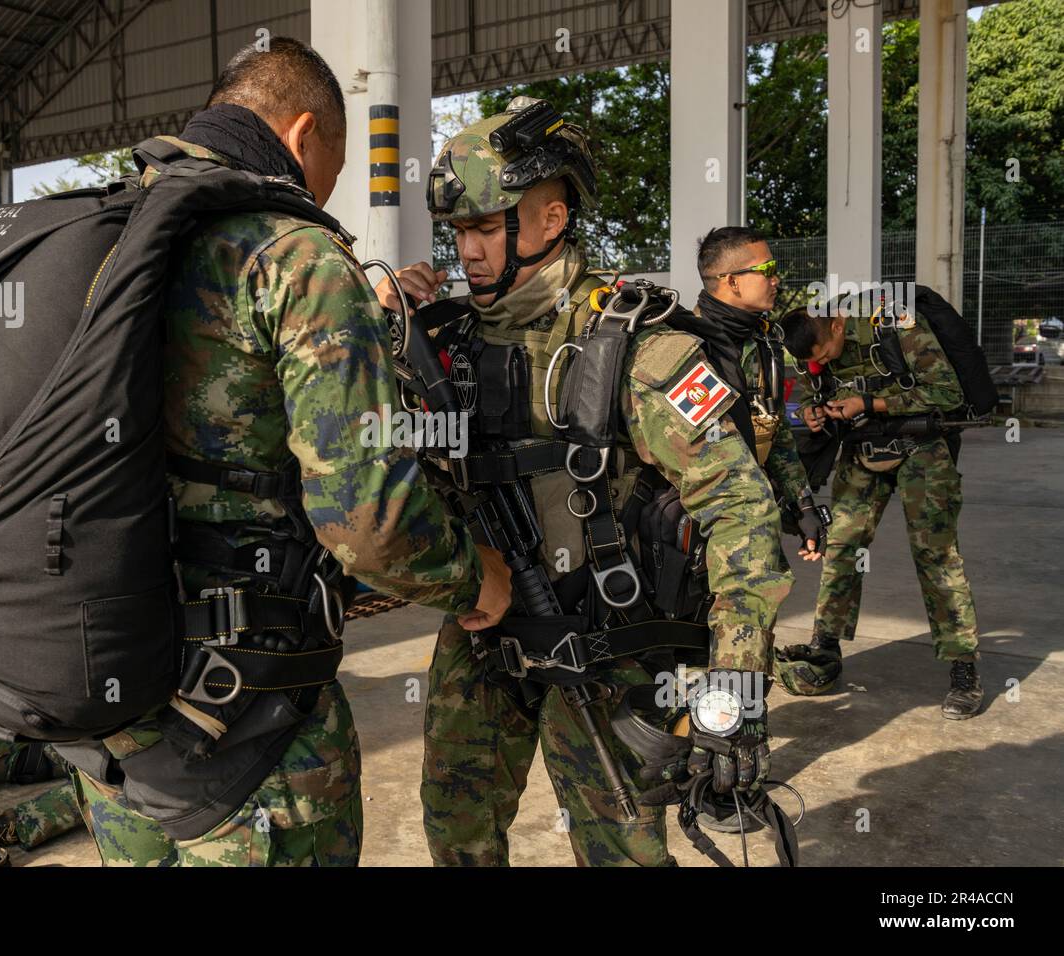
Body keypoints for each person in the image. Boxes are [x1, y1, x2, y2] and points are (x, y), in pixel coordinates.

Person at [53, 36, 509, 868]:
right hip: (250, 722)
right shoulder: (292, 255)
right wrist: (475, 578)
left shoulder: (102, 237)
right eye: (327, 170)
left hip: (108, 704)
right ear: (304, 136)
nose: (321, 192)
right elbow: (368, 525)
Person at [376, 99, 795, 866]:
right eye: (457, 231)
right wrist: (378, 336)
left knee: (623, 852)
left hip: (606, 642)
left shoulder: (636, 345)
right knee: (456, 834)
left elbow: (740, 509)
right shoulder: (442, 338)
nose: (465, 249)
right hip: (482, 630)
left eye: (482, 226)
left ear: (549, 219)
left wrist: (735, 688)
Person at [775, 300, 983, 718]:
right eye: (811, 361)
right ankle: (825, 648)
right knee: (841, 550)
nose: (820, 363)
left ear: (837, 325)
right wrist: (817, 413)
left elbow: (946, 391)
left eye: (823, 353)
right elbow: (820, 397)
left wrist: (869, 405)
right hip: (862, 452)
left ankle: (964, 668)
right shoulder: (812, 349)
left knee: (936, 557)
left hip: (922, 452)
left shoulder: (895, 326)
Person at [690, 226, 827, 564]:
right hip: (696, 525)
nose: (776, 279)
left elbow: (775, 431)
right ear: (731, 280)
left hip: (753, 520)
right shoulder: (685, 346)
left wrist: (803, 505)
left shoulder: (763, 343)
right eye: (766, 271)